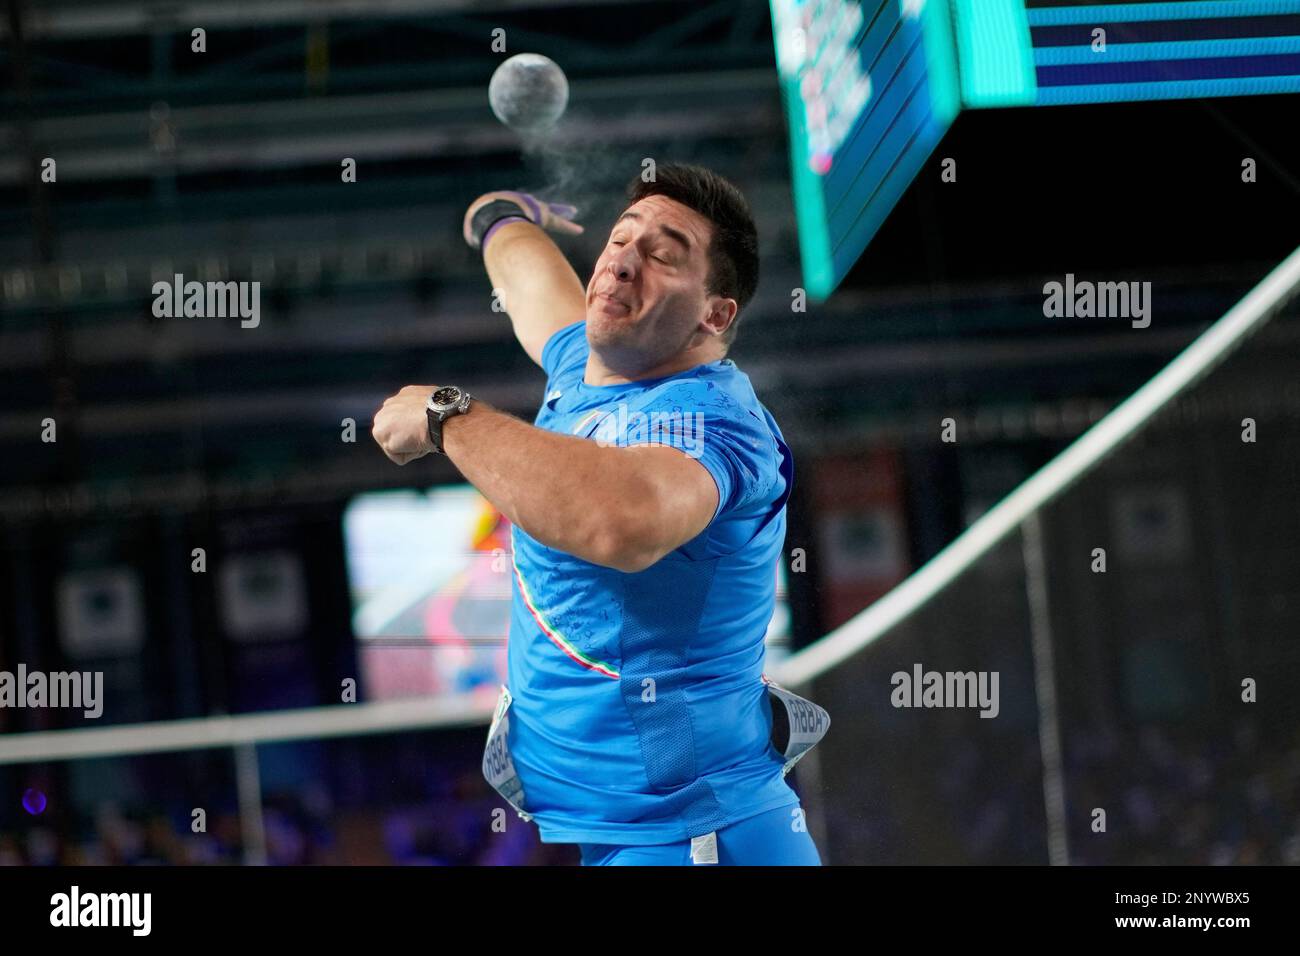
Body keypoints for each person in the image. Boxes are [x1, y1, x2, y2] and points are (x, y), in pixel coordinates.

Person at [371, 163, 828, 865]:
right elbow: (531, 285)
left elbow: (619, 522)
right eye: (620, 238)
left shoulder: (711, 422)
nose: (622, 260)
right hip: (630, 833)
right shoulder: (584, 370)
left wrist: (447, 418)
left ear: (715, 313)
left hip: (696, 836)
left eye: (663, 253)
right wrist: (501, 214)